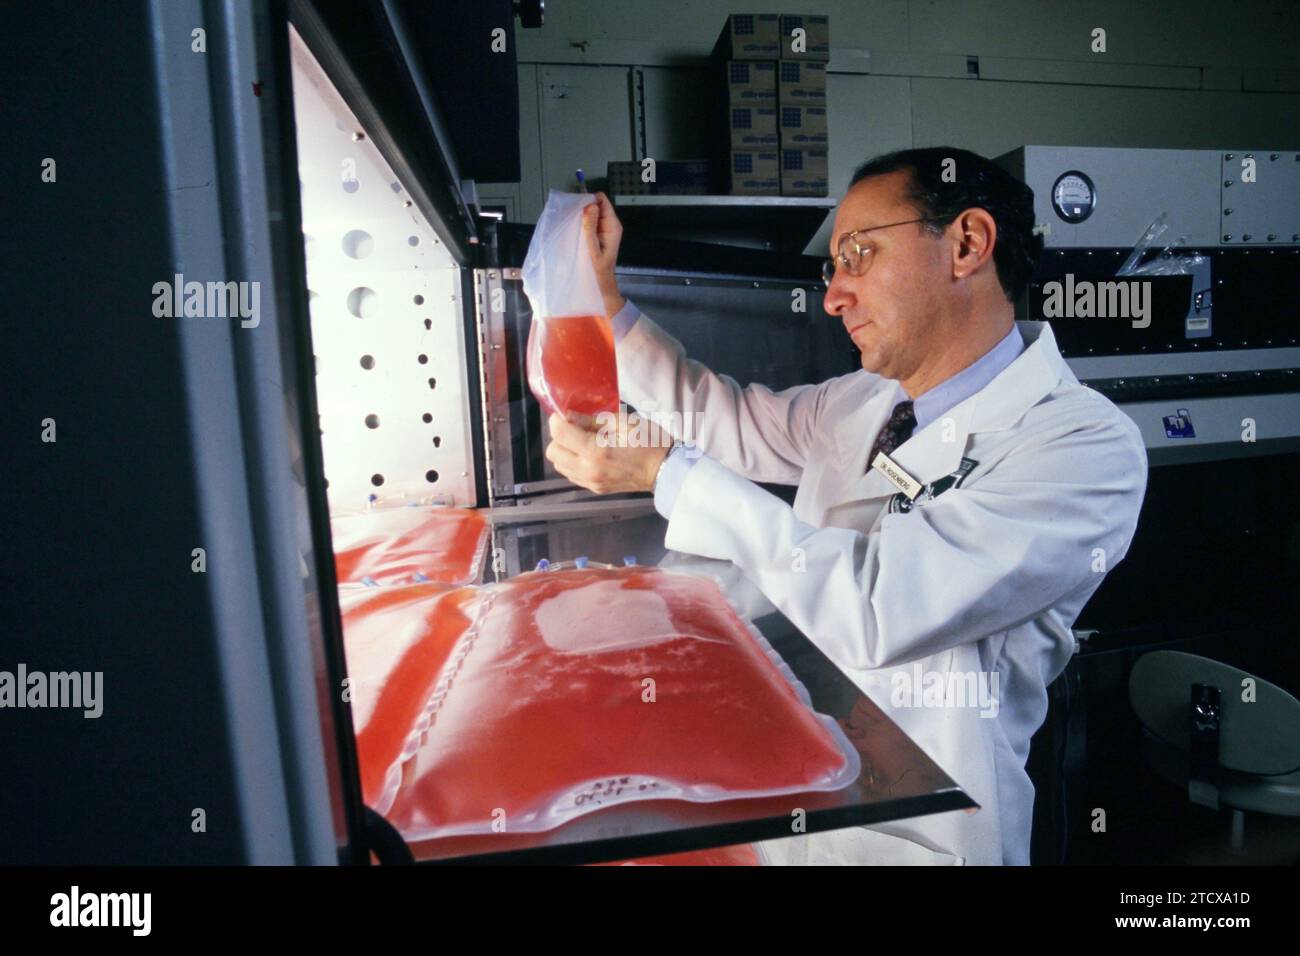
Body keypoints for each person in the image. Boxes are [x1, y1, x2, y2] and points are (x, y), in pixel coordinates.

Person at [544, 147, 1149, 865]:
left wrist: (669, 474)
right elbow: (723, 419)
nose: (833, 296)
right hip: (809, 767)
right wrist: (605, 302)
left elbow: (882, 606)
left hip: (928, 833)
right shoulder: (863, 403)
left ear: (967, 244)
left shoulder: (1084, 447)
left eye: (858, 254)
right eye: (834, 267)